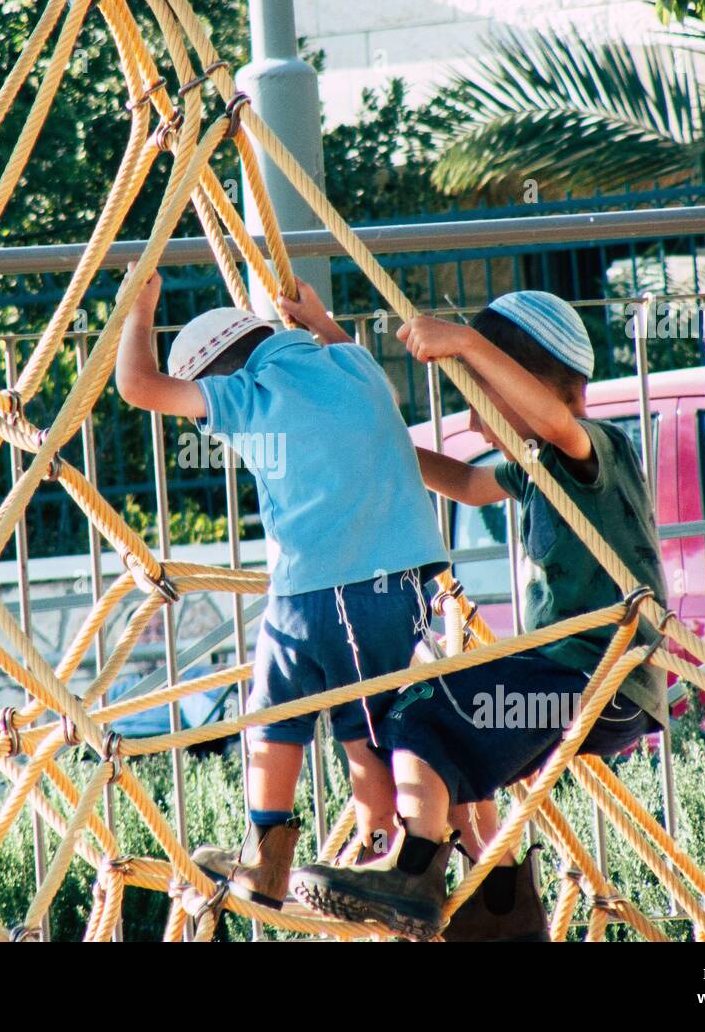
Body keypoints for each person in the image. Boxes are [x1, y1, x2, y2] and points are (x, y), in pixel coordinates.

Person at [291, 290, 669, 941]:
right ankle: (501, 914)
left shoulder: (590, 451)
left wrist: (466, 343)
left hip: (595, 685)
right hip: (567, 687)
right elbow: (464, 483)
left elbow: (557, 423)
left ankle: (411, 875)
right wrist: (337, 359)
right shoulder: (537, 468)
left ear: (525, 385)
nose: (471, 422)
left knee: (423, 708)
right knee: (460, 746)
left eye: (477, 398)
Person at [114, 266, 448, 909]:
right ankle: (378, 851)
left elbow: (138, 386)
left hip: (325, 588)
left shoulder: (249, 393)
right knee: (368, 719)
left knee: (275, 717)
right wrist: (317, 317)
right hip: (395, 589)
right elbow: (336, 338)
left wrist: (140, 307)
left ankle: (320, 862)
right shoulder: (356, 367)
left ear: (214, 377)